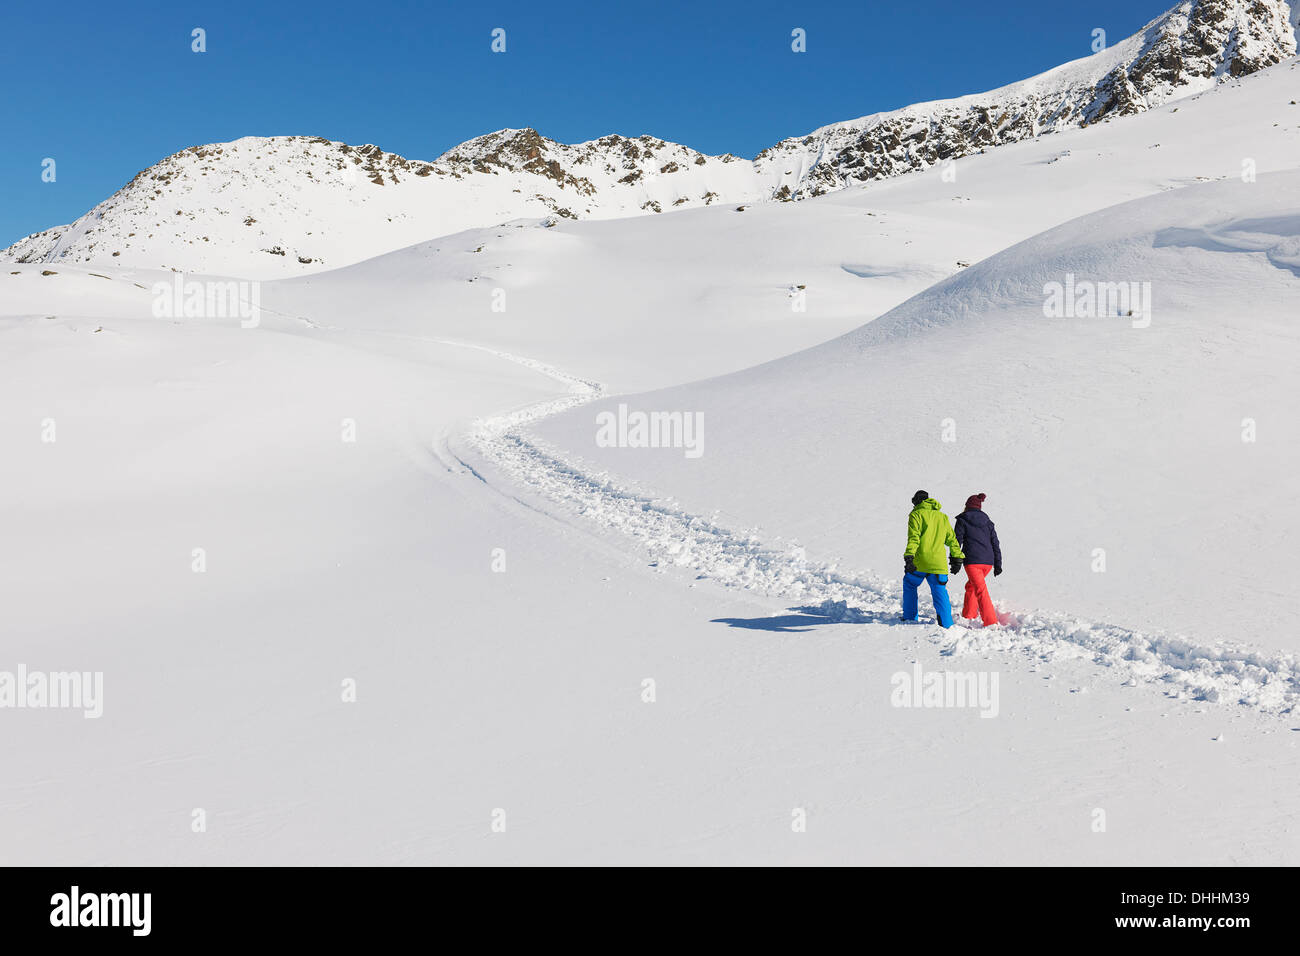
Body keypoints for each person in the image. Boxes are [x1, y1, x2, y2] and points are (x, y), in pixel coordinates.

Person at [901, 490, 964, 627]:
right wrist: (957, 558)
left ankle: (910, 617)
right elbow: (952, 540)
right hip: (938, 564)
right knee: (940, 590)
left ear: (916, 501)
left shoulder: (916, 514)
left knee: (910, 584)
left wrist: (909, 556)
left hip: (920, 562)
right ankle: (946, 624)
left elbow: (914, 538)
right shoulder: (942, 517)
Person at [953, 493, 1002, 628]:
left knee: (980, 590)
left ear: (967, 506)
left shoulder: (962, 520)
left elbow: (956, 542)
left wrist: (955, 560)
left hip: (973, 562)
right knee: (971, 586)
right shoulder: (988, 522)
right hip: (988, 563)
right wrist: (998, 564)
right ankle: (968, 615)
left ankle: (991, 622)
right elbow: (995, 543)